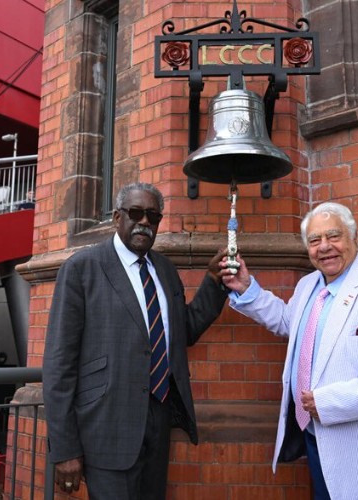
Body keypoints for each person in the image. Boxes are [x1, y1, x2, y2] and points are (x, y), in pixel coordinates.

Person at [43, 182, 228, 499]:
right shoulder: (82, 268)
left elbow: (184, 331)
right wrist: (65, 448)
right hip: (106, 428)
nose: (145, 222)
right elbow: (59, 364)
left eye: (153, 216)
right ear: (117, 217)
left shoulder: (165, 270)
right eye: (136, 213)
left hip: (157, 421)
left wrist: (214, 282)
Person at [221, 202, 358, 499]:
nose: (324, 247)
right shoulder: (308, 285)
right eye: (314, 240)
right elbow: (290, 323)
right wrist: (247, 289)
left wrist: (330, 402)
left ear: (355, 238)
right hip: (316, 439)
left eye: (333, 236)